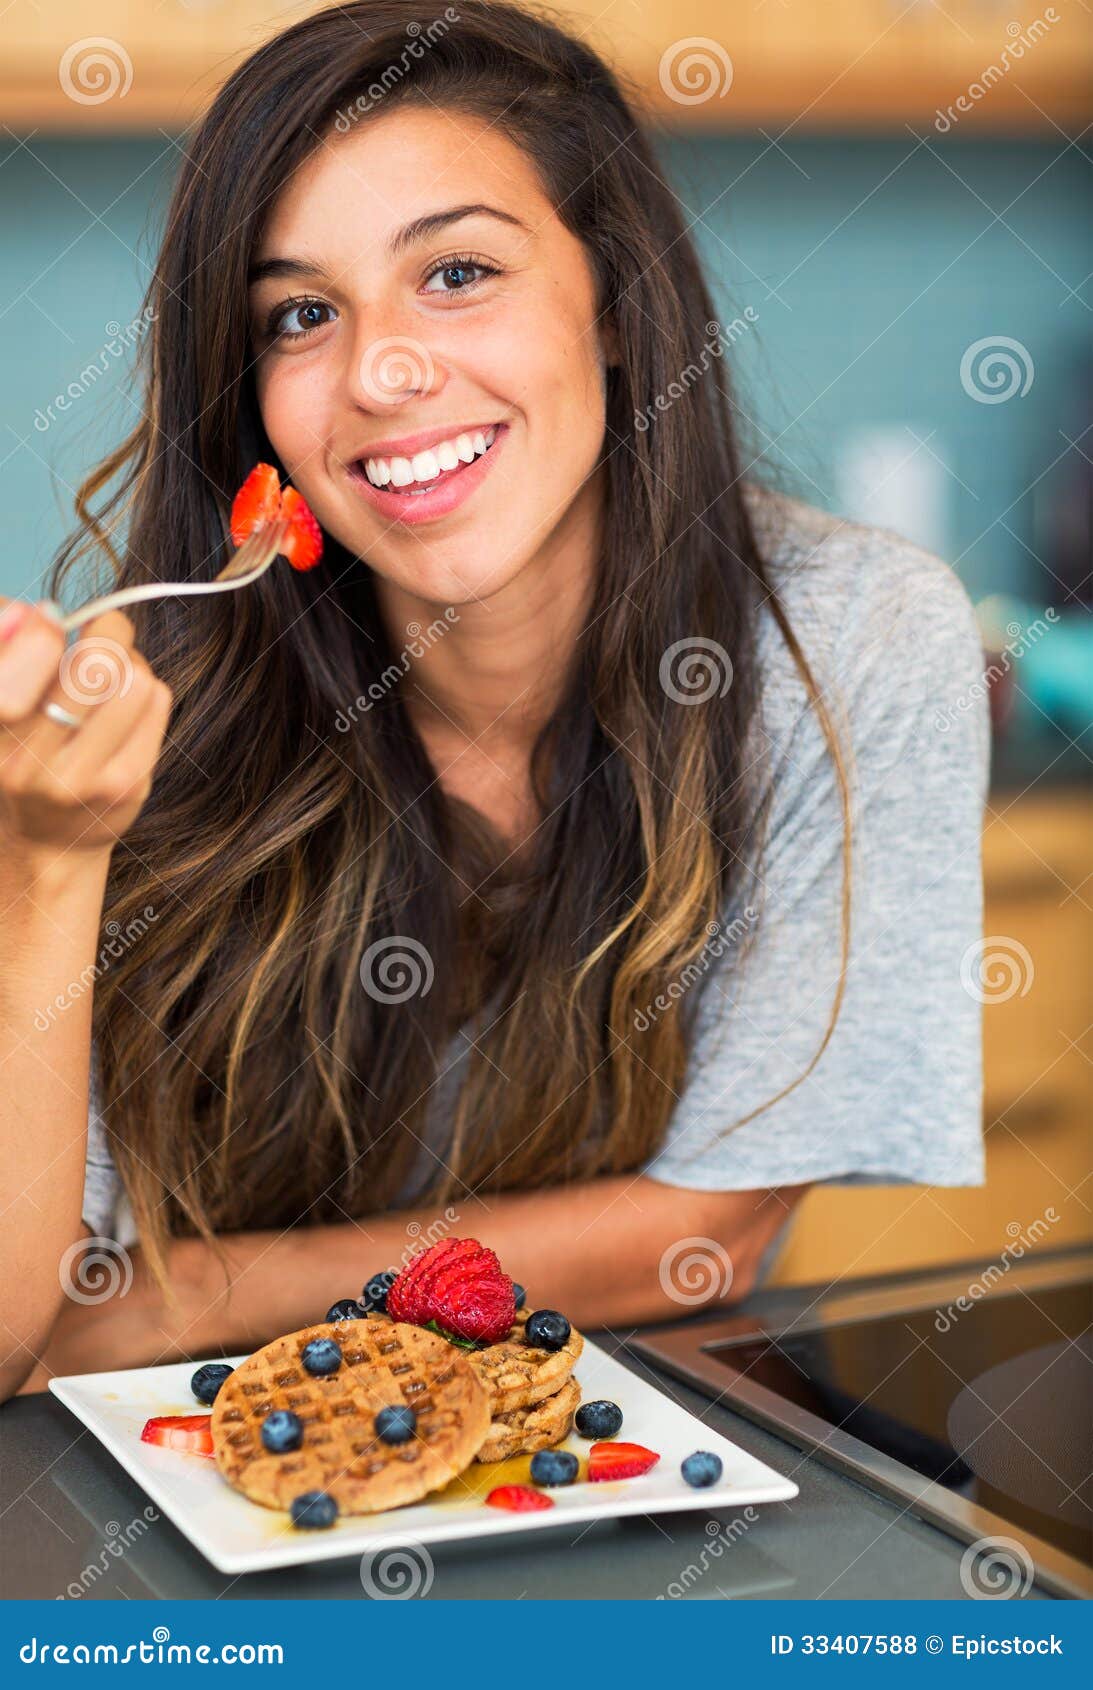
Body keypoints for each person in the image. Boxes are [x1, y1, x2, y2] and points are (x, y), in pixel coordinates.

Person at [0, 0, 987, 1397]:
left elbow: (703, 1238)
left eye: (456, 272)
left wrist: (181, 1302)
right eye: (300, 314)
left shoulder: (844, 638)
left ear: (618, 305)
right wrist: (39, 871)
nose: (381, 373)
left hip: (634, 1449)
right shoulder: (138, 714)